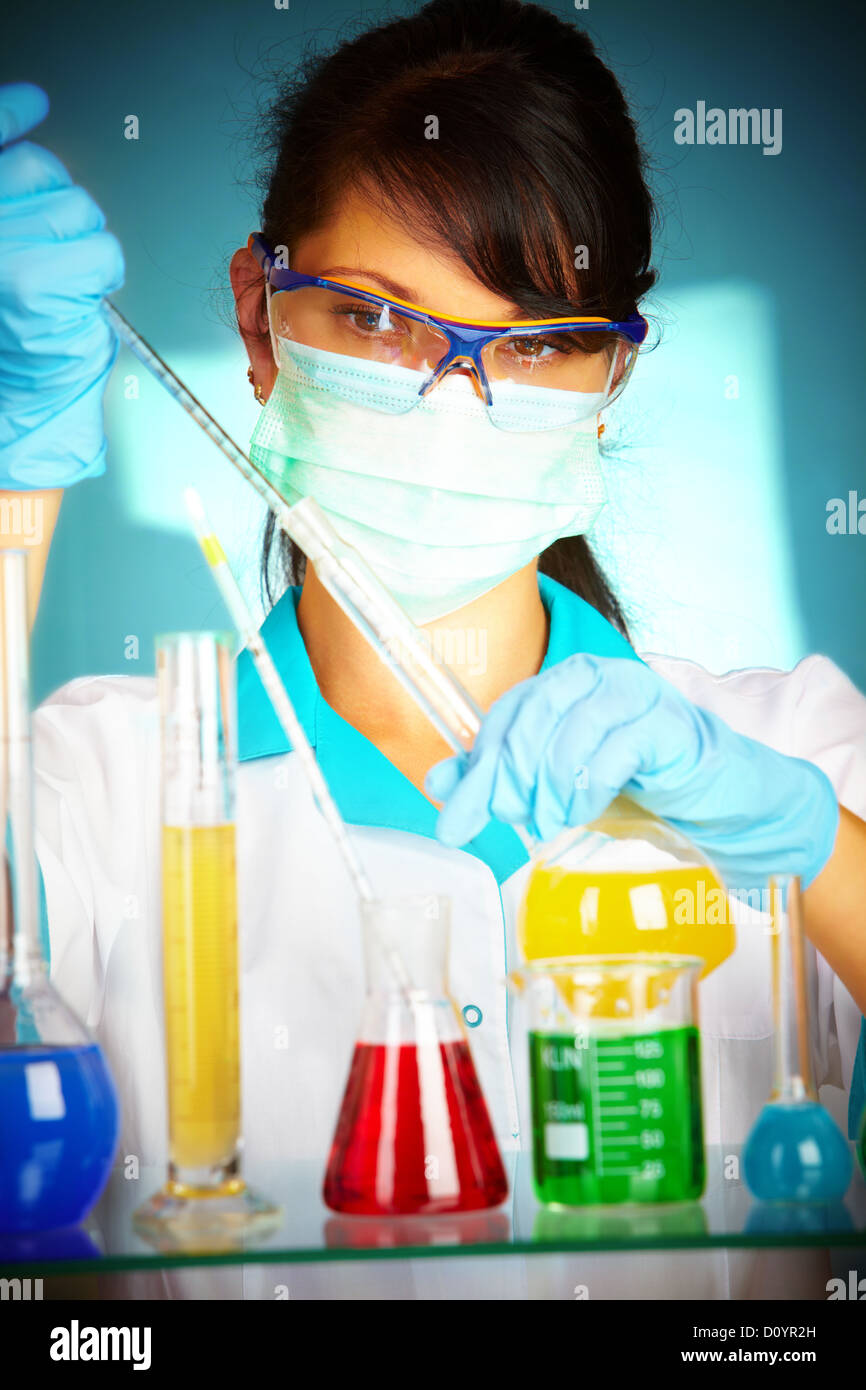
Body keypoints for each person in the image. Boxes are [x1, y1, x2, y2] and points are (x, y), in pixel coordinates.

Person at [1, 0, 864, 1299]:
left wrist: (809, 847)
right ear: (258, 316)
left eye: (533, 342)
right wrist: (11, 485)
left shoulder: (791, 747)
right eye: (376, 319)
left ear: (610, 375)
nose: (452, 403)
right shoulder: (98, 777)